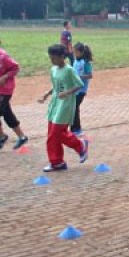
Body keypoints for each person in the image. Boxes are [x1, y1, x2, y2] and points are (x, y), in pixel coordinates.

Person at [37, 44, 89, 172]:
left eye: (54, 58)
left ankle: (80, 145)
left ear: (62, 57)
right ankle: (57, 162)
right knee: (52, 134)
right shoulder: (53, 70)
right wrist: (46, 94)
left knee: (56, 133)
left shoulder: (69, 70)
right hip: (55, 104)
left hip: (65, 104)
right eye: (50, 58)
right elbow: (55, 86)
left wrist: (66, 93)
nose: (52, 61)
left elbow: (79, 84)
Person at [71, 42, 94, 136]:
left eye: (75, 52)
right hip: (74, 88)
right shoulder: (76, 61)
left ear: (81, 52)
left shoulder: (85, 62)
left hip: (81, 90)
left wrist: (80, 76)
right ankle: (73, 129)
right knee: (73, 108)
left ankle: (77, 129)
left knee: (75, 108)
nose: (74, 53)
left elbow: (90, 75)